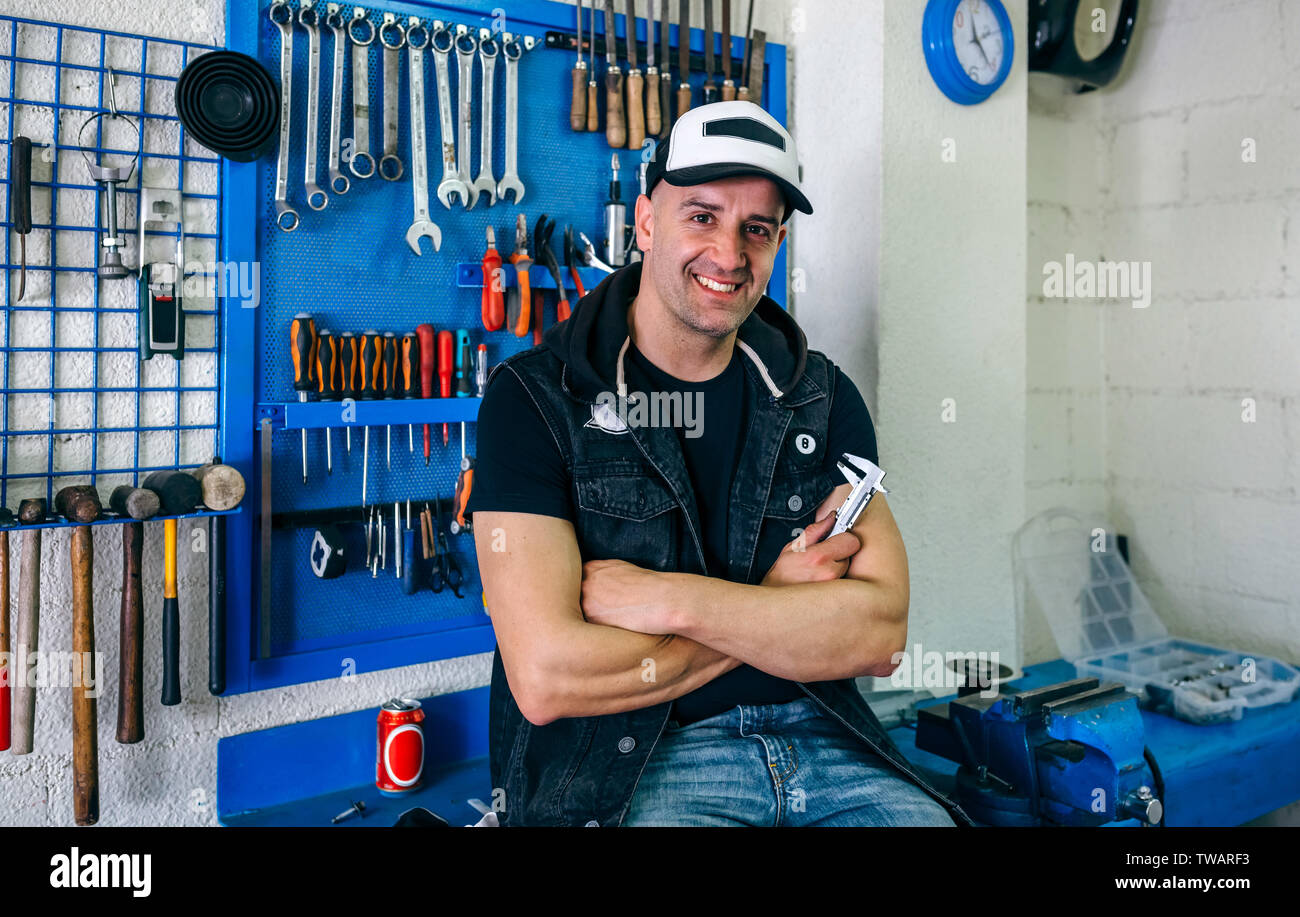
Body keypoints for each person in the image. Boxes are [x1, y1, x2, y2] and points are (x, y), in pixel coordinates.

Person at [465, 100, 972, 828]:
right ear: (646, 222)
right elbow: (547, 676)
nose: (730, 255)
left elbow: (878, 635)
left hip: (826, 739)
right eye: (701, 216)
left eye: (756, 229)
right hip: (641, 761)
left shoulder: (820, 397)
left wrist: (672, 600)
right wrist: (776, 604)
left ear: (777, 243)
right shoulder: (536, 402)